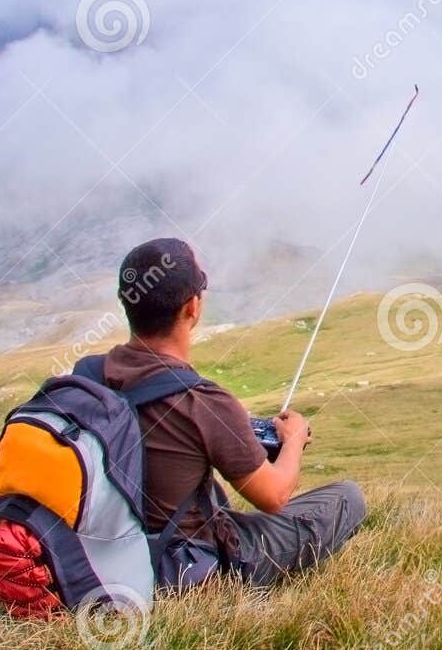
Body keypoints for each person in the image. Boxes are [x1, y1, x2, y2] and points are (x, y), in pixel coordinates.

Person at [97, 237, 366, 586]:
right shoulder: (201, 401)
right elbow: (274, 496)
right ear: (192, 307)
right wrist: (294, 440)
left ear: (126, 303)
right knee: (347, 498)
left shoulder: (89, 374)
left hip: (108, 548)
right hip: (185, 564)